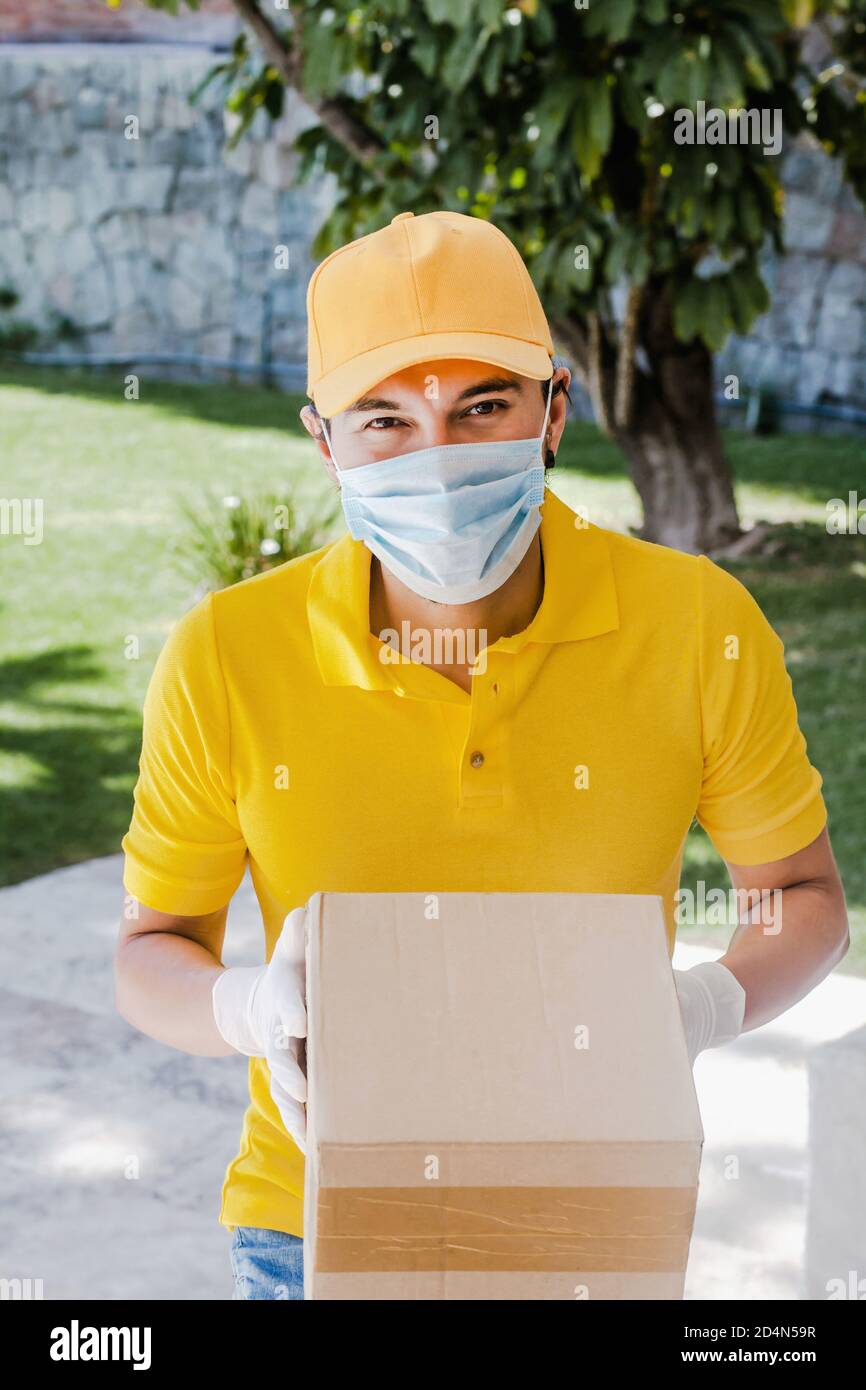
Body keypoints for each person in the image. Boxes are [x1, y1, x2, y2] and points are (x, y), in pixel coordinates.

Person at [115, 210, 849, 1302]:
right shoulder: (226, 654)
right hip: (310, 1229)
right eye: (385, 420)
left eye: (481, 406)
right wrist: (244, 1008)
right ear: (325, 443)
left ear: (553, 410)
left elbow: (799, 896)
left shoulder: (696, 624)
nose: (438, 456)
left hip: (596, 1214)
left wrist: (699, 1008)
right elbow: (152, 947)